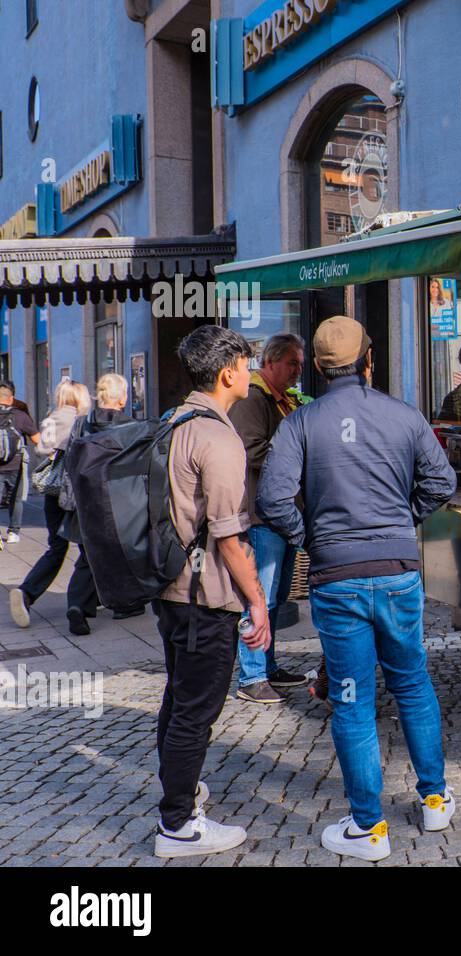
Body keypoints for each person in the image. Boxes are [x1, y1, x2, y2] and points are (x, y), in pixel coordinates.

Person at [258, 315, 457, 862]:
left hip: (336, 576)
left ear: (318, 369)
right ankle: (436, 799)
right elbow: (443, 482)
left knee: (350, 699)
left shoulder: (300, 423)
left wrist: (314, 540)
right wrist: (400, 521)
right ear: (370, 360)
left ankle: (369, 828)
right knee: (413, 682)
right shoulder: (404, 415)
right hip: (396, 569)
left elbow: (273, 500)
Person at [152, 325, 271, 859]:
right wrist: (258, 601)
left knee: (178, 700)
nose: (251, 372)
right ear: (228, 373)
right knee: (197, 712)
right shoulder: (219, 438)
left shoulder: (172, 420)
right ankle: (177, 825)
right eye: (247, 364)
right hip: (206, 598)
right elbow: (228, 534)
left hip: (171, 590)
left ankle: (180, 797)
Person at [228, 332, 308, 704]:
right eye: (291, 363)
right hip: (262, 515)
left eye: (300, 364)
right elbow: (251, 450)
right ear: (270, 362)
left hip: (281, 514)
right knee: (259, 596)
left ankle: (268, 666)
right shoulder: (254, 400)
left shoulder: (280, 400)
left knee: (274, 595)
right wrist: (295, 463)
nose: (297, 371)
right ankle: (252, 675)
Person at [8, 380, 91, 629]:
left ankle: (26, 593)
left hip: (51, 491)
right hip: (74, 491)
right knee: (88, 549)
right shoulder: (80, 421)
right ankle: (79, 603)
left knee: (56, 547)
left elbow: (42, 448)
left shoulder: (51, 418)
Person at [61, 374, 135, 635]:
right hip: (117, 505)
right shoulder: (131, 427)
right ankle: (124, 604)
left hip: (86, 502)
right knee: (119, 555)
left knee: (87, 556)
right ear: (123, 398)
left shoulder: (82, 424)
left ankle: (78, 605)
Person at [0, 381, 39, 545]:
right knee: (16, 499)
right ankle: (13, 532)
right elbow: (37, 439)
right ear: (11, 398)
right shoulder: (21, 416)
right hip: (17, 465)